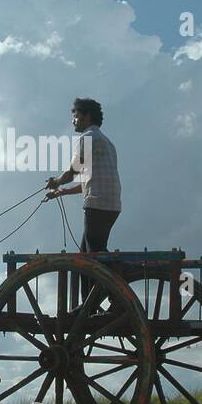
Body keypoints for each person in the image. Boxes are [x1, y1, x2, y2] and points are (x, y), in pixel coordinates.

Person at [46, 98, 121, 301]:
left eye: (76, 116)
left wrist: (57, 181)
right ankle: (89, 304)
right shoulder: (107, 142)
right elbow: (89, 180)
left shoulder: (87, 138)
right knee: (85, 258)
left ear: (86, 116)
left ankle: (116, 294)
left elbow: (73, 171)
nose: (74, 121)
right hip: (110, 205)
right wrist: (62, 192)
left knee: (93, 258)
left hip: (97, 204)